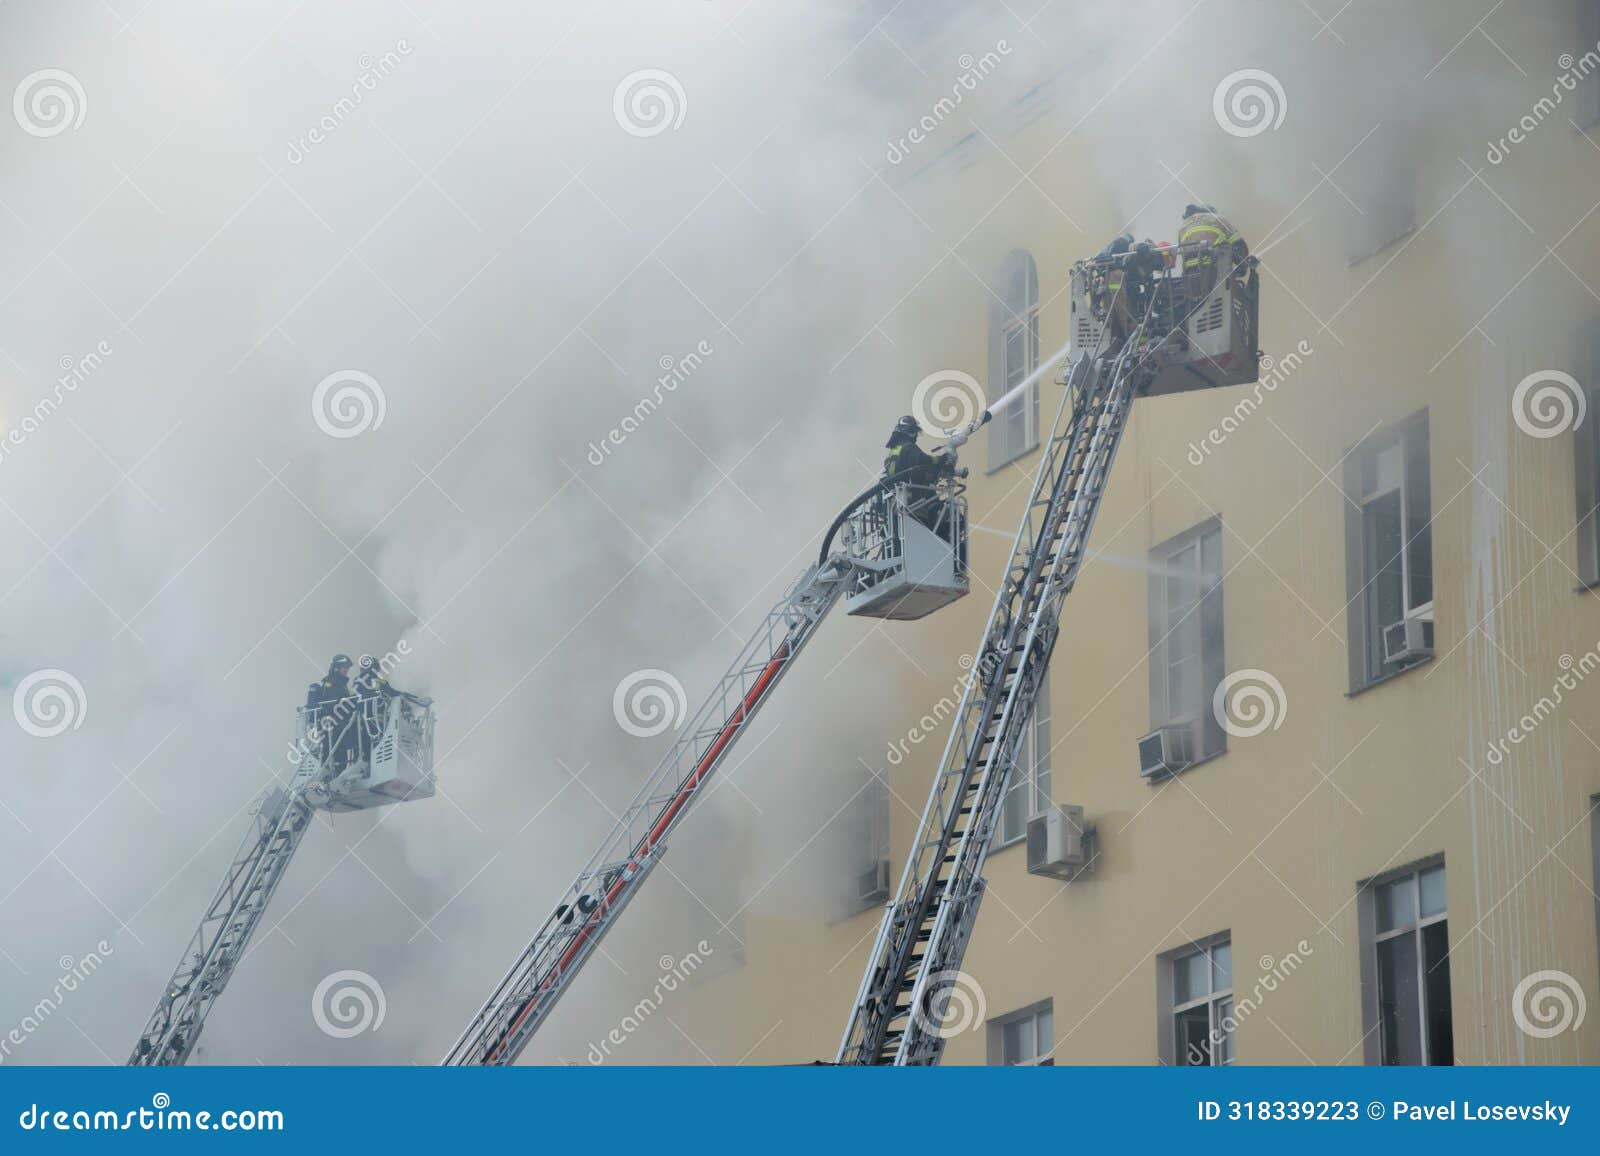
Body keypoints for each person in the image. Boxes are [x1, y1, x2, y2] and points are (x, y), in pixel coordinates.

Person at [883, 415, 956, 537]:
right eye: (914, 432)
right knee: (938, 519)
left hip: (897, 504)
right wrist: (941, 459)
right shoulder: (908, 448)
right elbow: (923, 460)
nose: (916, 436)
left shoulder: (893, 453)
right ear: (909, 432)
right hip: (913, 502)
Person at [1178, 203, 1247, 304]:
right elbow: (1238, 244)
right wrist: (1242, 266)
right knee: (1218, 302)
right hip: (1214, 272)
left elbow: (1183, 255)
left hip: (1191, 277)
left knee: (1197, 305)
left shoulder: (1183, 227)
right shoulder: (1219, 219)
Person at [307, 654, 355, 770]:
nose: (346, 670)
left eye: (348, 667)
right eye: (344, 667)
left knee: (337, 752)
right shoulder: (333, 683)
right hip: (333, 724)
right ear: (336, 667)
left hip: (336, 724)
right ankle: (331, 773)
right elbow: (333, 703)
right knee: (333, 751)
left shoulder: (340, 684)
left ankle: (336, 771)